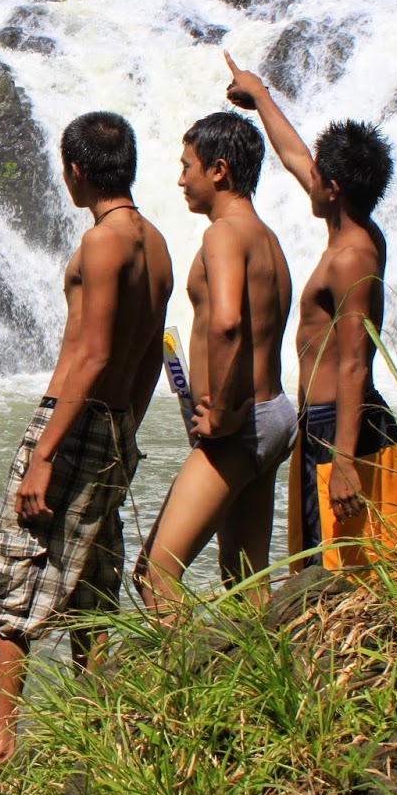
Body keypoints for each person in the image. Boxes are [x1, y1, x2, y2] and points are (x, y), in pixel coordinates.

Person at [0, 111, 173, 778]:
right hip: (115, 425)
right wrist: (125, 430)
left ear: (75, 169)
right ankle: (100, 728)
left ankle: (0, 744)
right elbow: (149, 356)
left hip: (69, 424)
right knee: (92, 583)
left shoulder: (102, 242)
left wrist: (44, 453)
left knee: (13, 574)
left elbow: (92, 354)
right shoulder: (156, 244)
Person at [224, 53, 397, 570]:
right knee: (324, 571)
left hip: (344, 431)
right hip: (328, 426)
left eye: (318, 176)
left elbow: (354, 362)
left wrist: (345, 461)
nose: (308, 176)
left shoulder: (351, 257)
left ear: (333, 189)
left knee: (344, 579)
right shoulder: (353, 226)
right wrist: (260, 95)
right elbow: (295, 156)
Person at [135, 111, 294, 612]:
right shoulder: (267, 238)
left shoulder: (223, 235)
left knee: (154, 575)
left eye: (188, 167)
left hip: (238, 424)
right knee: (244, 579)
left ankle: (178, 667)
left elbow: (227, 324)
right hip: (272, 413)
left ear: (219, 170)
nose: (181, 180)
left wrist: (221, 413)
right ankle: (275, 665)